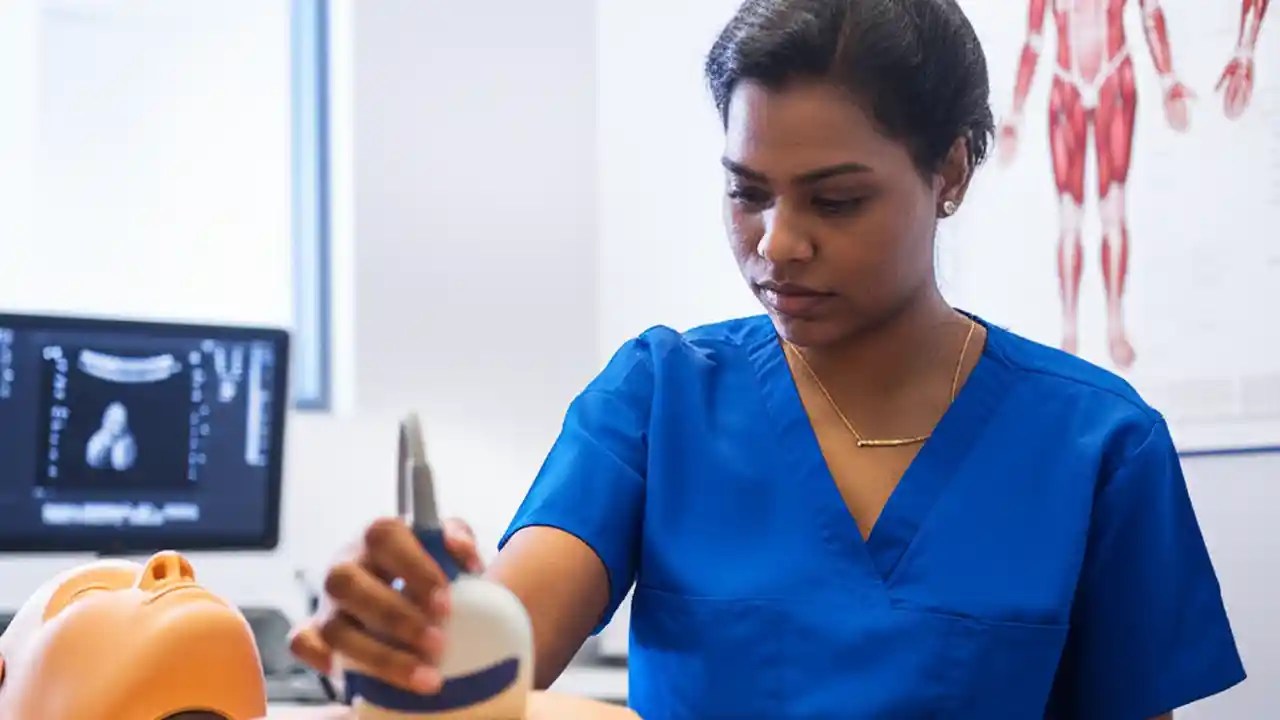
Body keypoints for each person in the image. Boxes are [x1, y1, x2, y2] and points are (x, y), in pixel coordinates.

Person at [289, 1, 1246, 717]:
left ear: (949, 171)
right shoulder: (662, 397)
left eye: (835, 202)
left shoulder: (1096, 443)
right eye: (748, 193)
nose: (776, 245)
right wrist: (410, 626)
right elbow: (504, 639)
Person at [997, 0, 1194, 370]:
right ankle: (1069, 330)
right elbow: (1034, 39)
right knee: (1069, 218)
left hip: (1114, 81)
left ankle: (1115, 325)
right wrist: (1016, 114)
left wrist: (1169, 80)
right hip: (1066, 86)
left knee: (1112, 211)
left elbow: (1150, 13)